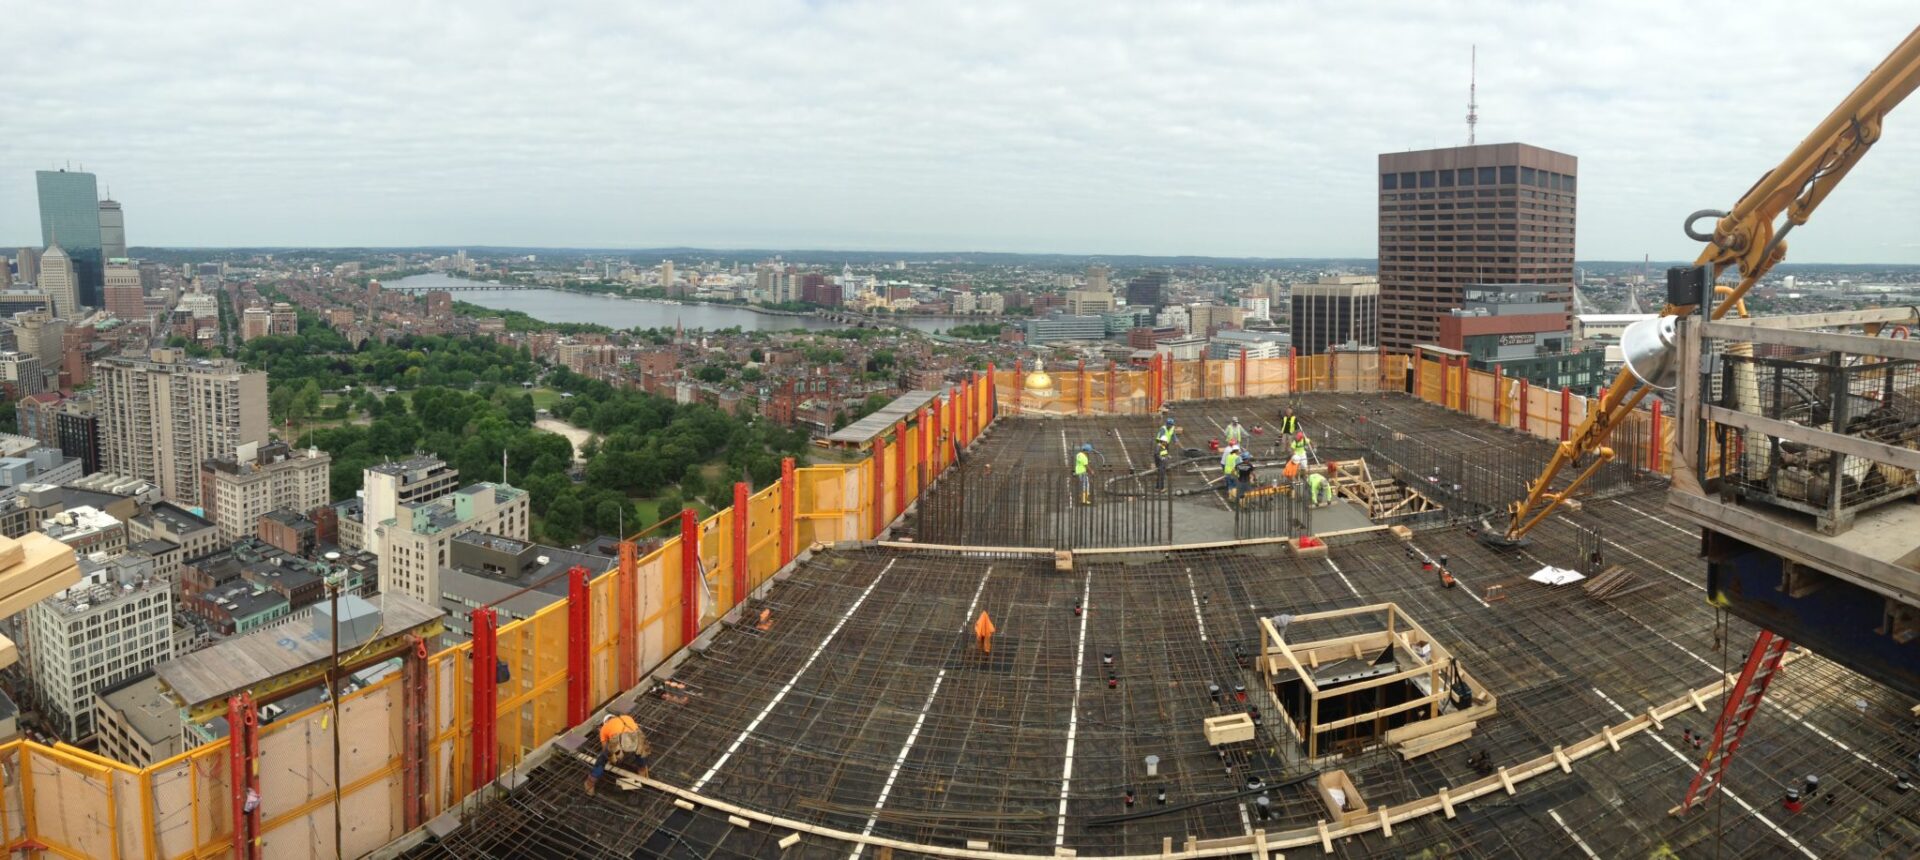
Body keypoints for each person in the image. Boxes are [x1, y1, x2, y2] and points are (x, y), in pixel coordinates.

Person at [585, 713, 649, 795]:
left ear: (605, 722)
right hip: (636, 737)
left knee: (602, 759)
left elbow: (605, 748)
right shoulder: (627, 717)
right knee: (641, 749)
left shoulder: (604, 728)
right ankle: (642, 770)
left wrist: (611, 757)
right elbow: (634, 729)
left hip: (619, 740)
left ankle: (590, 783)